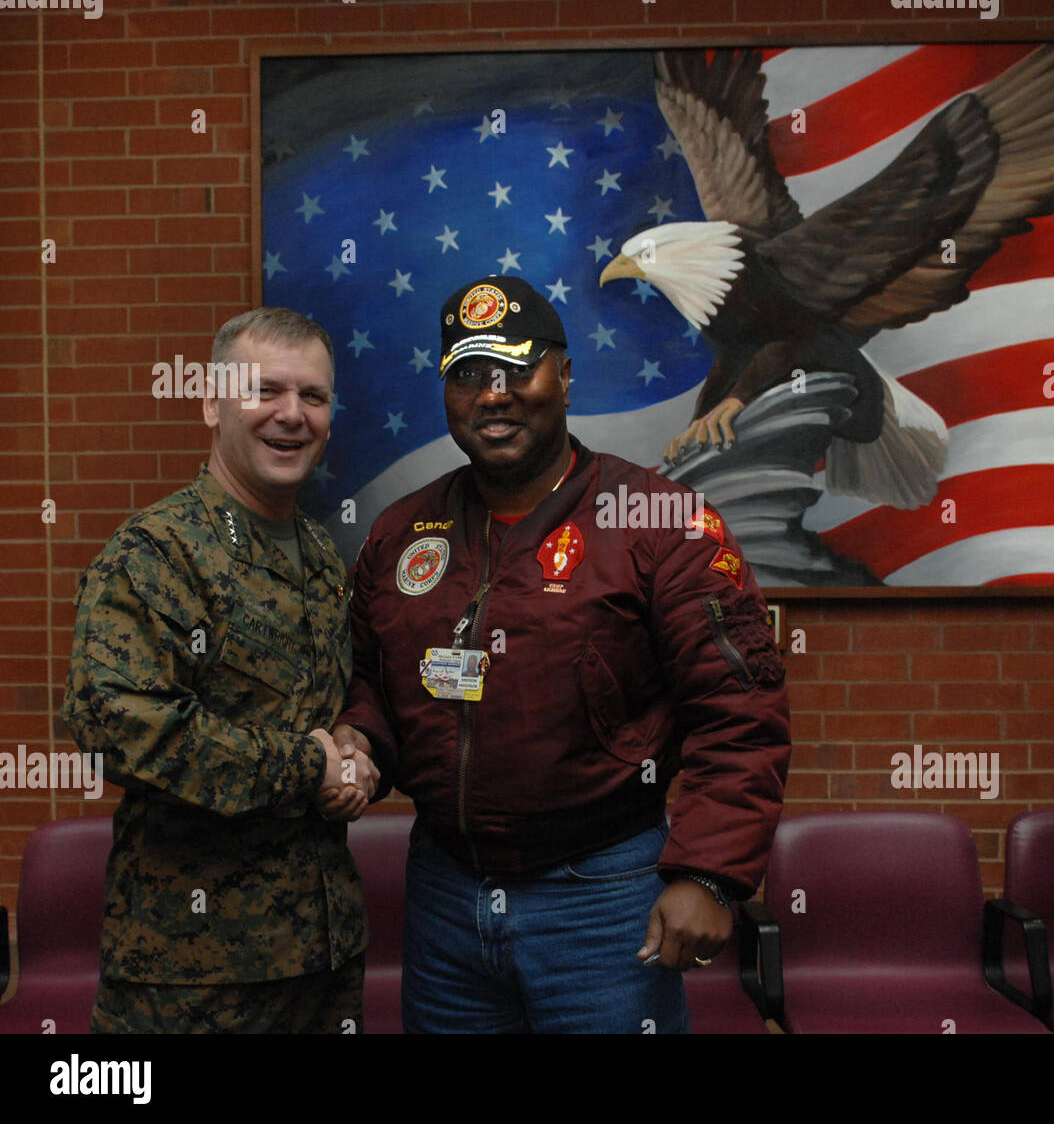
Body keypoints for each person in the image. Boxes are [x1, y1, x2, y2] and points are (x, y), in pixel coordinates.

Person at [334, 275, 791, 1033]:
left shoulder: (661, 521)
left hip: (604, 894)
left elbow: (741, 708)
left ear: (567, 375)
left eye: (519, 369)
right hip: (445, 892)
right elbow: (374, 684)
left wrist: (710, 872)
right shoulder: (400, 534)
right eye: (470, 375)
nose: (495, 395)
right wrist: (361, 739)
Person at [61, 307, 379, 1034]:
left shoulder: (319, 555)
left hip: (322, 958)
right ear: (210, 402)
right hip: (192, 975)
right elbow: (119, 727)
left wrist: (354, 748)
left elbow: (323, 713)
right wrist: (306, 766)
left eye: (314, 397)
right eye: (264, 390)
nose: (291, 415)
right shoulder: (157, 553)